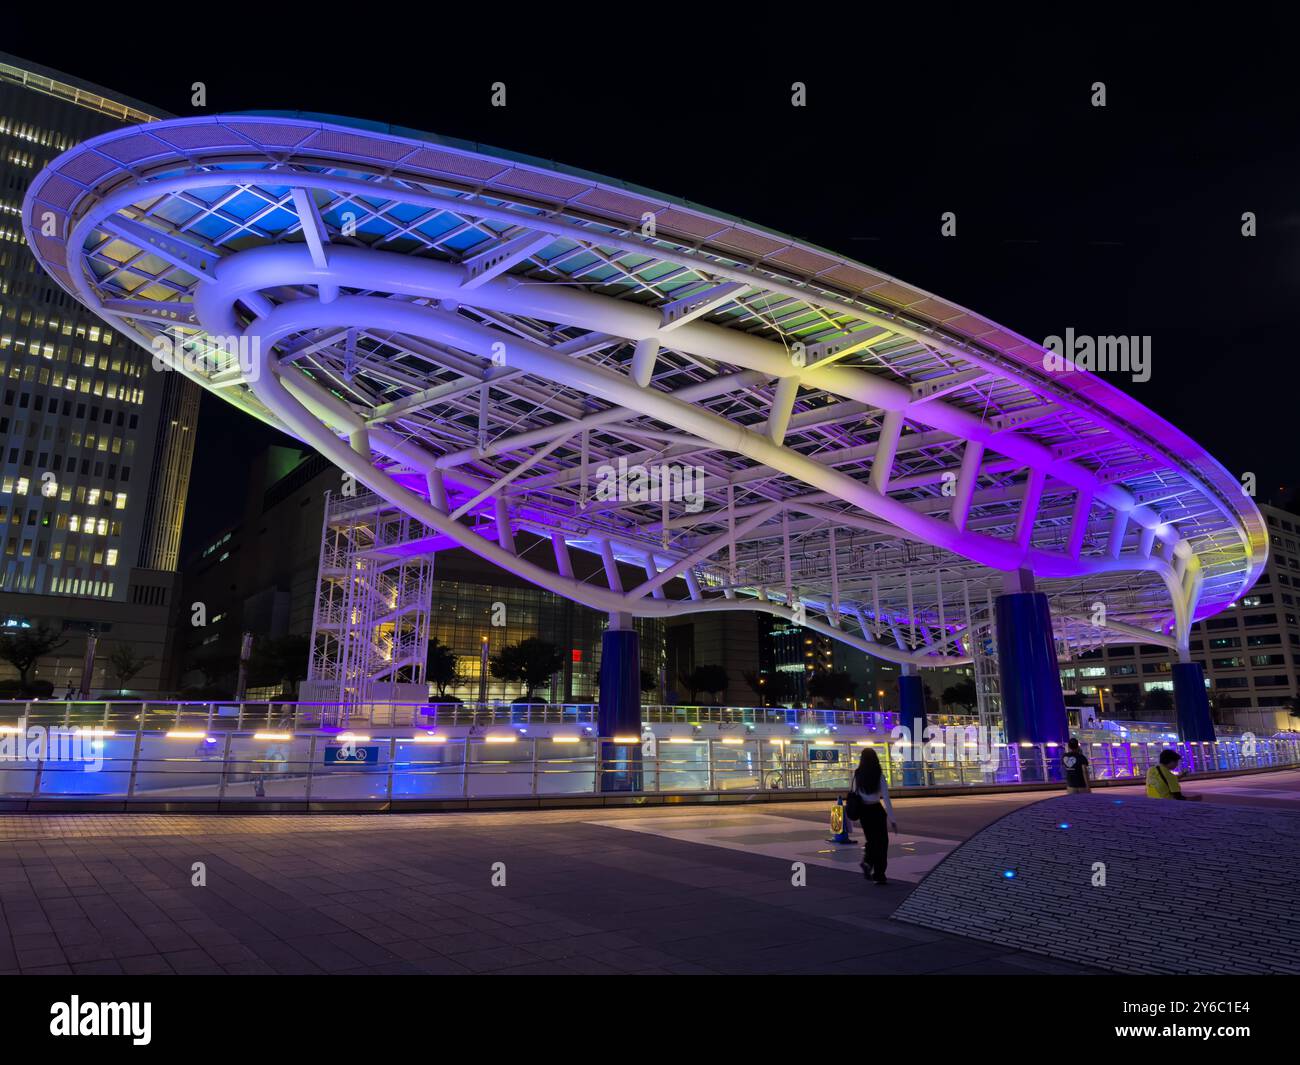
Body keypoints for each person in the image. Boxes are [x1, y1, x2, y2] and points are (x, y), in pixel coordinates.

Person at [852, 747, 897, 885]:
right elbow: (886, 799)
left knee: (871, 841)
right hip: (877, 810)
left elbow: (854, 793)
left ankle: (867, 861)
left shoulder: (857, 774)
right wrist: (892, 820)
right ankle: (879, 874)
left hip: (864, 812)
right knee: (882, 843)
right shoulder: (879, 775)